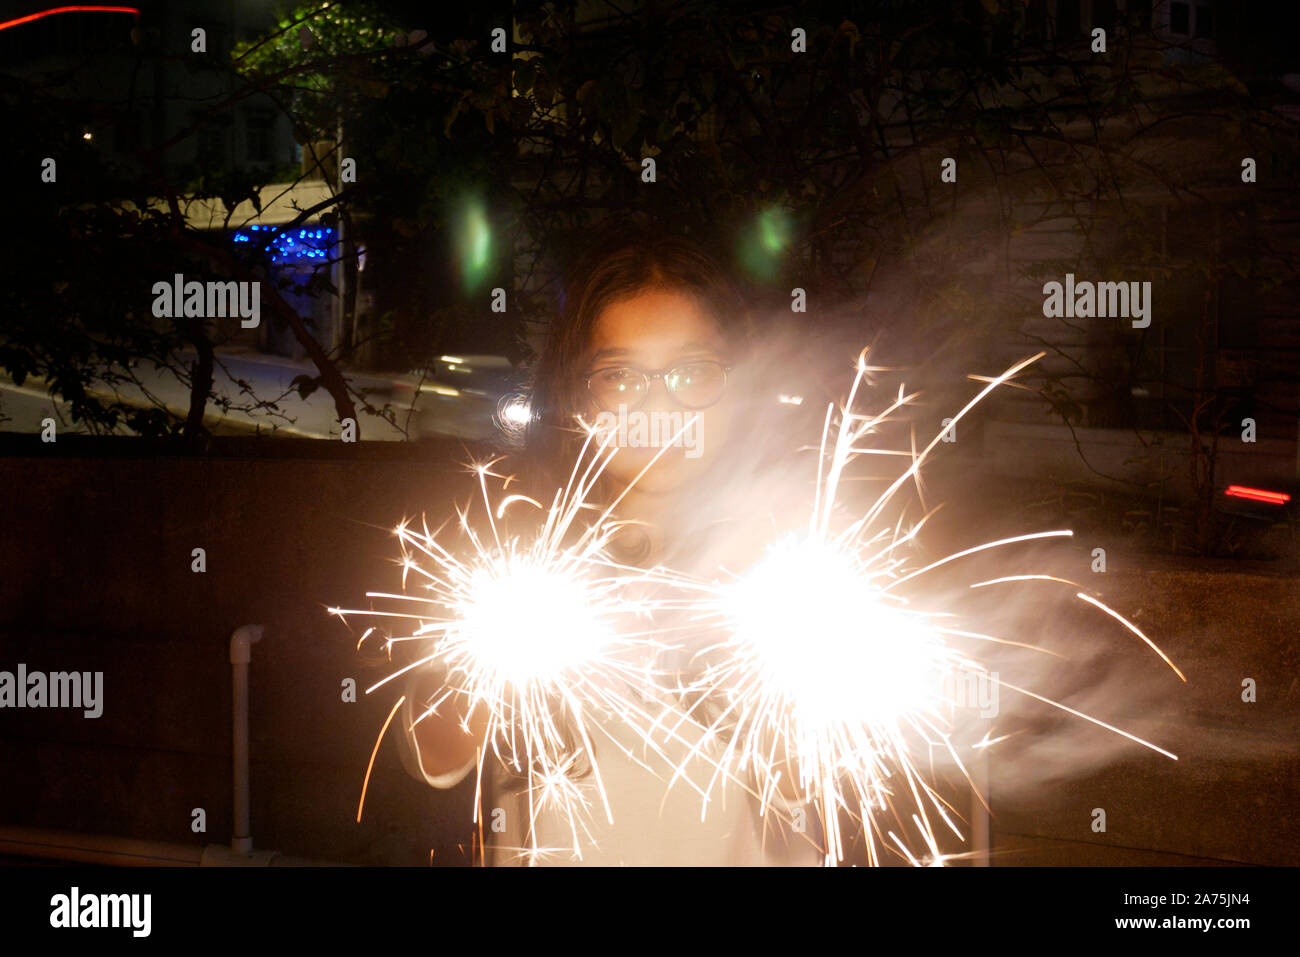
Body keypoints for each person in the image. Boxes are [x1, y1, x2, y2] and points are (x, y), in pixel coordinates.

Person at [396, 226, 822, 865]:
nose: (660, 407)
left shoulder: (794, 564)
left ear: (738, 383)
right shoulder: (511, 552)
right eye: (621, 378)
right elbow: (434, 758)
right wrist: (491, 656)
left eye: (693, 372)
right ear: (576, 392)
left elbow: (813, 788)